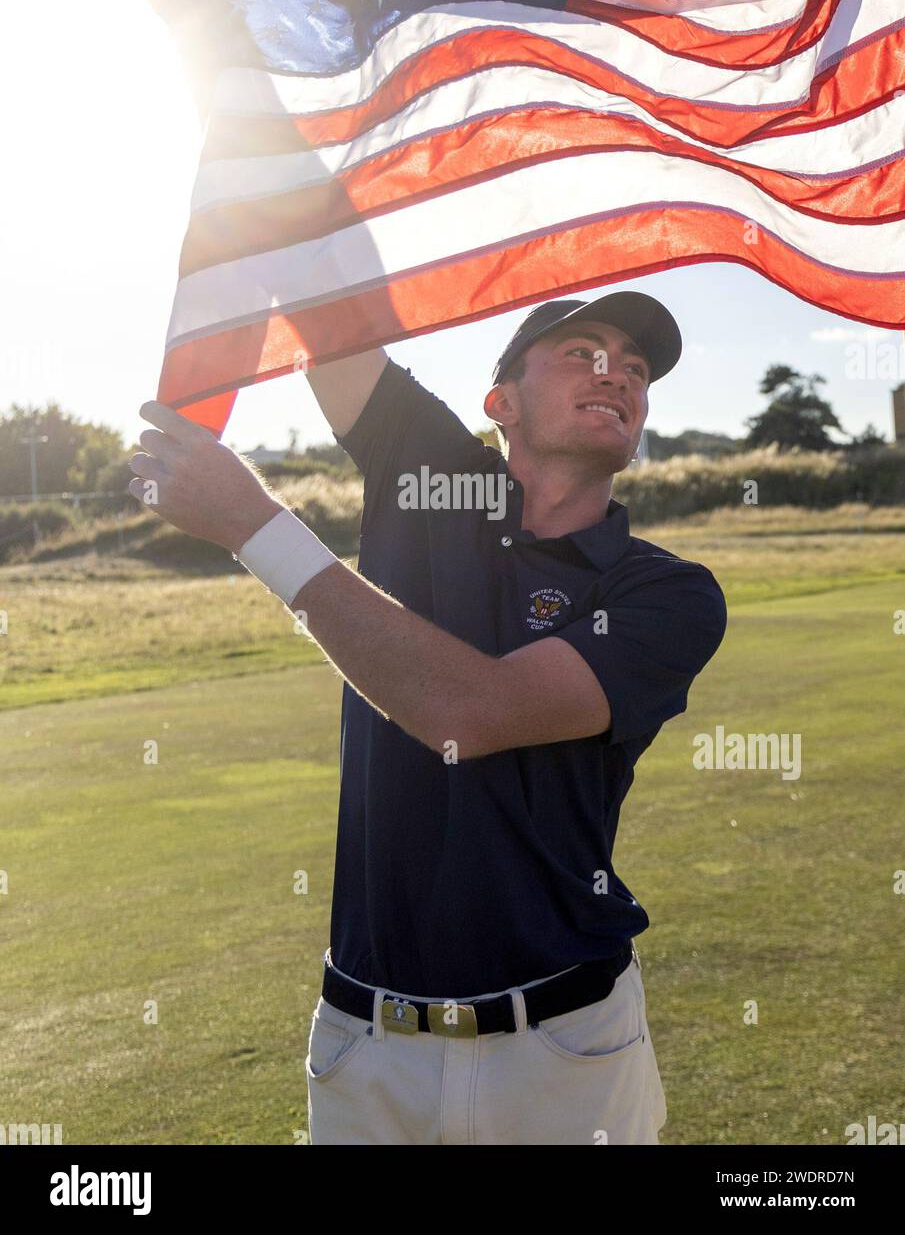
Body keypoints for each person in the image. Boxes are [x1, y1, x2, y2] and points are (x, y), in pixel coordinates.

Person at [131, 288, 728, 1146]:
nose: (619, 376)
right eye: (582, 354)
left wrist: (252, 526)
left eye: (635, 370)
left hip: (564, 1051)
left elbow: (468, 714)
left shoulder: (667, 592)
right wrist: (271, 168)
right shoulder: (424, 469)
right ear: (501, 404)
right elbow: (324, 303)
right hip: (365, 1048)